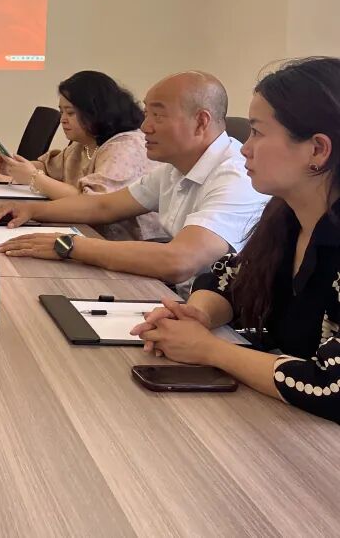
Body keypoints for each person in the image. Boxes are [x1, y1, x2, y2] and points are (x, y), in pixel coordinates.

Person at [132, 57, 340, 424]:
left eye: (258, 132)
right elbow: (226, 279)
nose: (245, 147)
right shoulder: (286, 216)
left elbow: (333, 388)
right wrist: (198, 315)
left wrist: (210, 350)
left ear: (318, 150)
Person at [0, 71, 267, 290]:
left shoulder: (236, 177)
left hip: (211, 313)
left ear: (201, 122)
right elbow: (103, 206)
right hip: (168, 293)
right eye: (146, 114)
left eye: (157, 115)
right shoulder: (174, 168)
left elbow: (179, 261)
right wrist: (31, 210)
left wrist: (69, 246)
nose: (145, 126)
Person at [0, 70, 162, 240]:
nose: (63, 119)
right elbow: (49, 168)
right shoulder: (85, 142)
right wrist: (17, 167)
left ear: (96, 112)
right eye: (61, 112)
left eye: (70, 113)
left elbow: (93, 205)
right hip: (89, 232)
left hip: (130, 243)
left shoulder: (124, 148)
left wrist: (33, 178)